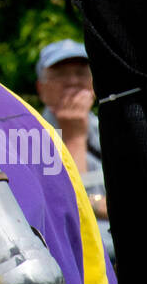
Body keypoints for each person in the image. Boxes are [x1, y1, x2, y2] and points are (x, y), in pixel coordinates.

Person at [35, 39, 114, 263]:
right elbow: (62, 214)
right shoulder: (24, 141)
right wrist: (74, 137)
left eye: (81, 72)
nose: (72, 81)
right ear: (41, 88)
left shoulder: (115, 134)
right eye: (60, 74)